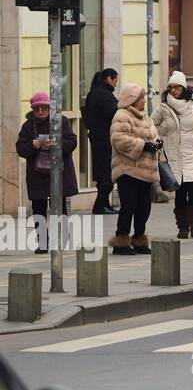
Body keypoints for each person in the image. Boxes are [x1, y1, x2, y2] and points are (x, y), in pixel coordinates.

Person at [153, 71, 193, 240]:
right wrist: (162, 135)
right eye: (171, 87)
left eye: (177, 87)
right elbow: (152, 125)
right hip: (173, 154)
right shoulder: (164, 106)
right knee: (179, 191)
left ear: (184, 87)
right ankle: (182, 228)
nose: (173, 90)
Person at [15, 91, 78, 254]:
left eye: (44, 108)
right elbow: (20, 148)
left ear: (50, 108)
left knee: (59, 207)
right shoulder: (28, 126)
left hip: (58, 172)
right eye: (38, 109)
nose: (41, 112)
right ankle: (42, 242)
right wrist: (33, 145)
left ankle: (62, 239)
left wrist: (55, 144)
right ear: (33, 109)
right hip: (37, 174)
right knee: (38, 208)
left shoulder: (61, 122)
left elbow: (72, 141)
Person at [109, 83, 161, 256]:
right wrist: (144, 145)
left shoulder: (145, 116)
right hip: (128, 170)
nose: (144, 100)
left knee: (143, 207)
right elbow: (119, 139)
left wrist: (157, 142)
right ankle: (121, 241)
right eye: (141, 97)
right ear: (132, 99)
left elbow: (153, 133)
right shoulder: (122, 115)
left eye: (144, 97)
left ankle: (139, 239)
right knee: (128, 206)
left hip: (145, 171)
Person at [82, 69, 120, 215]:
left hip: (100, 138)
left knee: (105, 173)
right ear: (109, 78)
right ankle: (100, 204)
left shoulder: (96, 92)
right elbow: (114, 113)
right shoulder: (102, 95)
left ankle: (104, 204)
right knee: (107, 173)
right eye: (115, 80)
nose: (116, 84)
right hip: (104, 139)